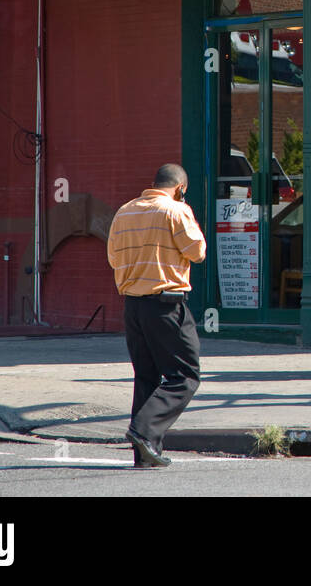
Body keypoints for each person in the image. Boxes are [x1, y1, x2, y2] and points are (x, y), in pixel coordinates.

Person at [107, 163, 206, 467]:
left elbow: (113, 257)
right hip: (166, 303)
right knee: (185, 375)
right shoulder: (175, 210)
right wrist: (185, 211)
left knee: (147, 377)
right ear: (180, 188)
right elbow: (197, 251)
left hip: (133, 306)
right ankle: (144, 431)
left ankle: (146, 454)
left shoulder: (124, 211)